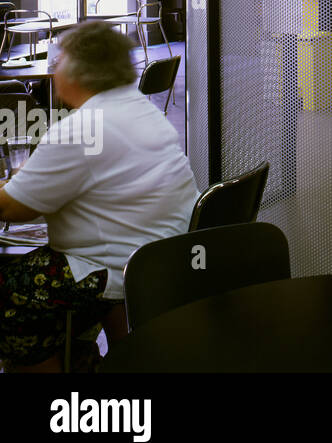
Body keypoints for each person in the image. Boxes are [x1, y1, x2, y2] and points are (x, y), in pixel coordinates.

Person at [0, 22, 197, 372]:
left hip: (115, 270)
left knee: (9, 292)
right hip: (162, 256)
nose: (52, 68)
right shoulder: (140, 108)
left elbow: (13, 207)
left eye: (57, 60)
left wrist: (22, 182)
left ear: (76, 70)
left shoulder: (82, 127)